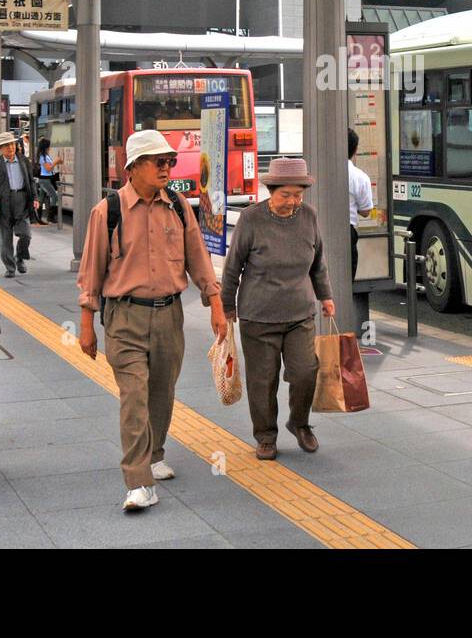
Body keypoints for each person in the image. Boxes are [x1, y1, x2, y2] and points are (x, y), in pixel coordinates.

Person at [76, 129, 228, 513]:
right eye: (157, 161)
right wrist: (85, 323)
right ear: (133, 168)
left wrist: (216, 304)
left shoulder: (178, 206)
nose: (166, 167)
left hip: (169, 315)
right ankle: (138, 481)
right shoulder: (106, 211)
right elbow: (91, 269)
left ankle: (155, 453)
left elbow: (198, 257)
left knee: (162, 391)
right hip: (124, 316)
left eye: (169, 161)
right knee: (133, 397)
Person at [221, 158, 334, 461]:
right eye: (286, 195)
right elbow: (233, 267)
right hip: (258, 315)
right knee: (263, 379)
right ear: (271, 191)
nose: (293, 202)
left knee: (305, 372)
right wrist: (226, 306)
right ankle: (266, 436)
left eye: (298, 195)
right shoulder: (251, 219)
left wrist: (326, 296)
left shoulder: (308, 216)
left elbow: (318, 260)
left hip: (299, 313)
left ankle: (299, 423)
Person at [0, 130, 37, 278]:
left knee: (26, 234)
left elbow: (31, 181)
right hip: (4, 204)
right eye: (6, 145)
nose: (11, 148)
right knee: (5, 239)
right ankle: (10, 267)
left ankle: (20, 257)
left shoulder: (24, 161)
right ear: (0, 148)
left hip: (21, 200)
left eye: (12, 144)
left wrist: (35, 198)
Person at [346, 128, 373, 279]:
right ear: (355, 150)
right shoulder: (360, 177)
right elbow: (365, 211)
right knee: (347, 277)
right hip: (347, 232)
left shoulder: (318, 172)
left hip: (319, 228)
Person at [35, 137, 61, 225]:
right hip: (45, 180)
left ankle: (38, 218)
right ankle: (51, 217)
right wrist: (56, 162)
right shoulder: (42, 157)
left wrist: (58, 162)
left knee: (41, 199)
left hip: (46, 179)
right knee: (54, 196)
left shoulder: (45, 156)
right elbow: (48, 168)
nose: (50, 148)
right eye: (49, 146)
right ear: (45, 147)